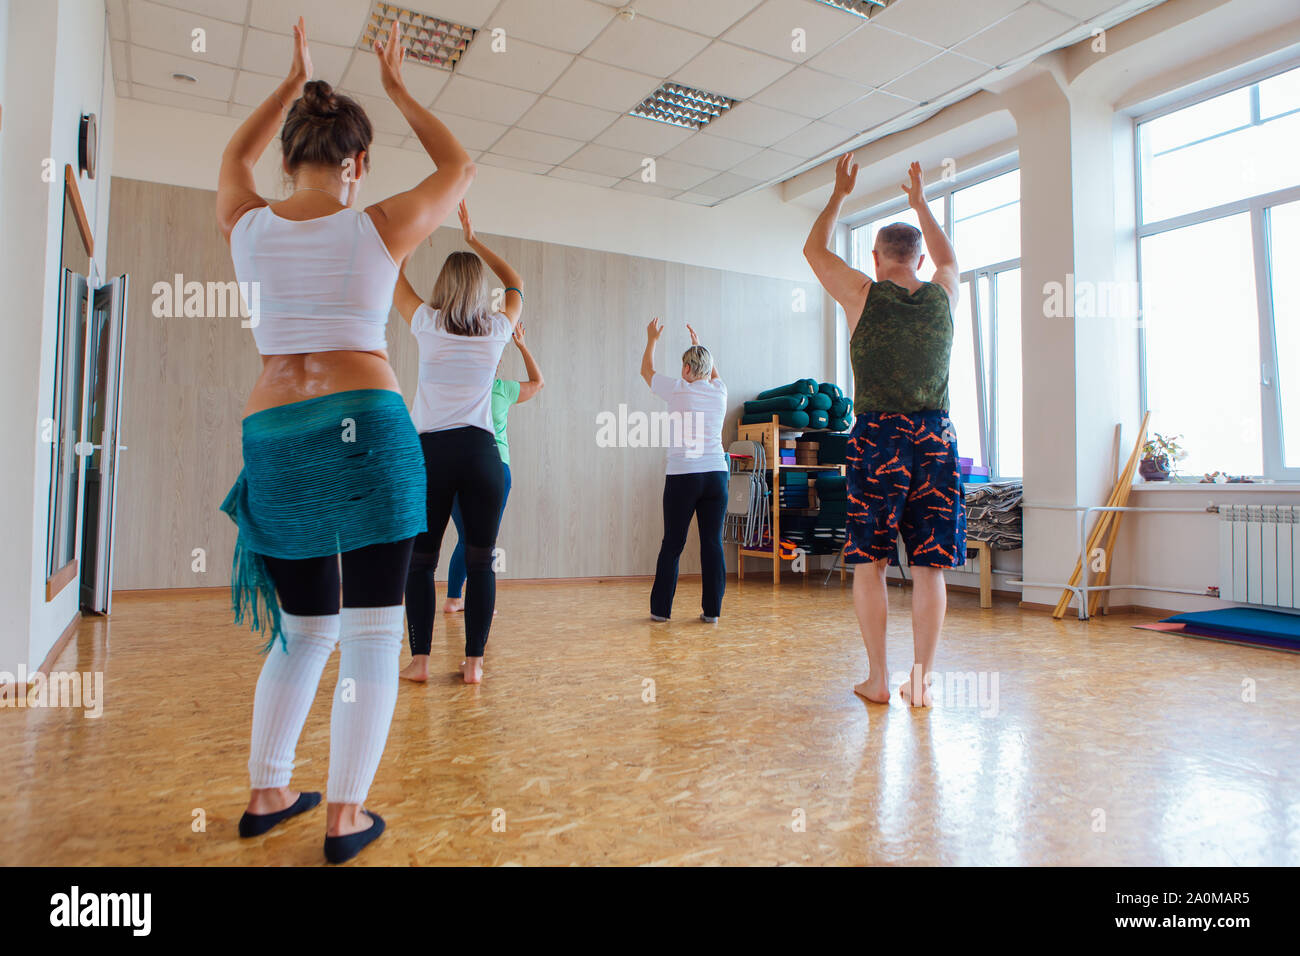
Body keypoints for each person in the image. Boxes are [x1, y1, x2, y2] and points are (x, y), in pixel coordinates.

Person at [216, 18, 475, 862]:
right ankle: (345, 816)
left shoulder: (248, 227)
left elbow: (232, 162)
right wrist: (400, 89)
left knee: (304, 626)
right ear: (356, 166)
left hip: (276, 437)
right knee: (369, 631)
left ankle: (269, 790)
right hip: (368, 432)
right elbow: (460, 167)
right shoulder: (374, 227)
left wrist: (291, 78)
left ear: (291, 156)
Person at [802, 155, 965, 708]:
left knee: (868, 561)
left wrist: (841, 193)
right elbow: (950, 259)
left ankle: (877, 678)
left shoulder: (861, 293)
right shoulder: (944, 293)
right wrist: (922, 201)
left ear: (875, 259)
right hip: (936, 439)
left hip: (877, 440)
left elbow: (813, 250)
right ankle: (920, 683)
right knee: (929, 565)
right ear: (918, 258)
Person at [396, 201, 523, 686]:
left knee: (421, 562)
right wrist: (475, 239)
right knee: (480, 560)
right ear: (480, 293)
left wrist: (411, 238)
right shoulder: (495, 330)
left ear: (443, 287)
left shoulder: (426, 323)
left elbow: (393, 279)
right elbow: (515, 284)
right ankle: (474, 666)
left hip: (430, 455)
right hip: (482, 457)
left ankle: (421, 663)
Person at [442, 320, 544, 615]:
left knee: (469, 537)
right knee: (482, 539)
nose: (496, 360)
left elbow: (538, 383)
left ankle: (453, 598)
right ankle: (474, 599)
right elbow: (537, 382)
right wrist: (522, 345)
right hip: (493, 469)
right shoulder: (501, 390)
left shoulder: (484, 389)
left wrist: (521, 345)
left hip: (460, 468)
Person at [641, 319, 729, 623]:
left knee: (673, 543)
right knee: (712, 543)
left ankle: (661, 611)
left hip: (683, 476)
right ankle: (712, 613)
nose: (682, 372)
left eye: (684, 366)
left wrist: (652, 339)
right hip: (717, 475)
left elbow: (646, 372)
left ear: (688, 370)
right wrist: (700, 345)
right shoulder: (720, 391)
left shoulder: (677, 389)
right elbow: (713, 373)